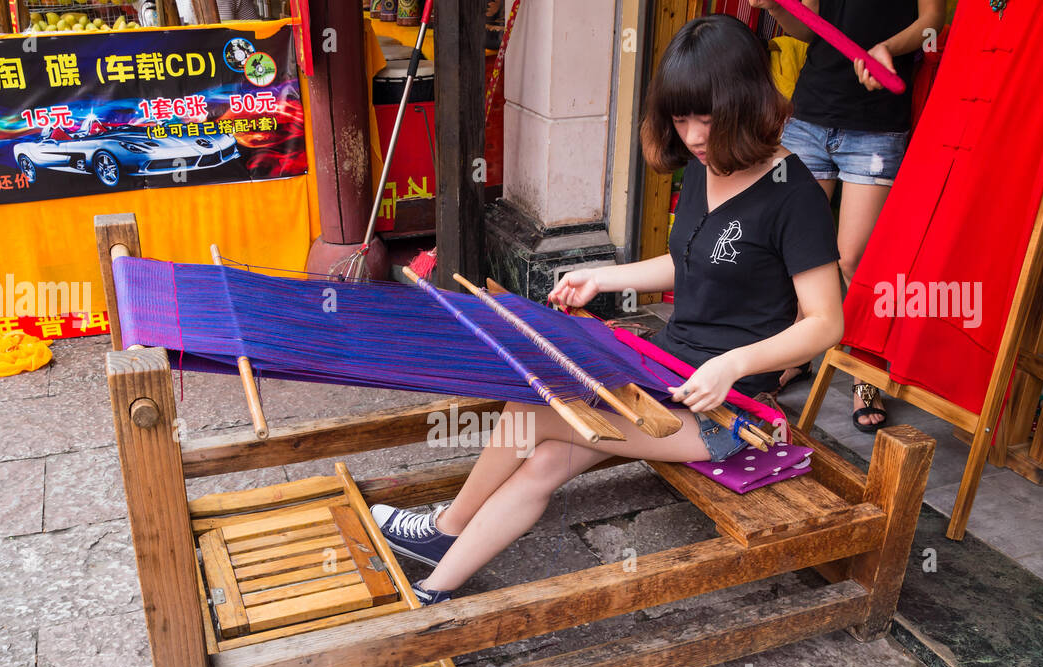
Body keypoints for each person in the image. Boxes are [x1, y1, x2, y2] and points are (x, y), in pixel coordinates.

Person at [371, 14, 843, 604]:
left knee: (529, 412)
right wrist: (602, 276)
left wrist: (732, 365)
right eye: (681, 117)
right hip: (664, 375)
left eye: (707, 117)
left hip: (728, 416)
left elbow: (826, 321)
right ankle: (435, 591)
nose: (694, 135)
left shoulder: (792, 195)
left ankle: (446, 527)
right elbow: (695, 264)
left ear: (747, 102)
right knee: (544, 460)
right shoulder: (703, 169)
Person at [753, 0, 945, 430]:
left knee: (854, 258)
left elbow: (933, 22)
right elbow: (810, 29)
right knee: (795, 248)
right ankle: (795, 352)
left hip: (875, 127)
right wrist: (775, 9)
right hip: (809, 118)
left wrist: (887, 49)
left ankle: (866, 370)